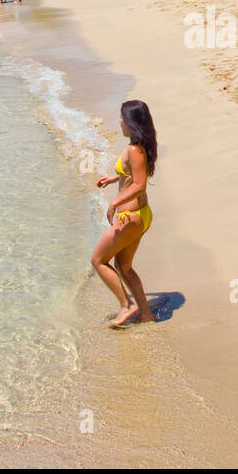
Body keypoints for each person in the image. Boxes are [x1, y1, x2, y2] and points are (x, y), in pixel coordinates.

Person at [92, 100, 158, 327]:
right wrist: (114, 178)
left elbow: (139, 185)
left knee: (98, 260)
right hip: (138, 216)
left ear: (130, 121)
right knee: (124, 267)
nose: (119, 121)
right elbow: (132, 175)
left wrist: (114, 204)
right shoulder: (136, 146)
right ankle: (146, 314)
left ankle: (127, 305)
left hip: (131, 218)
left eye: (122, 117)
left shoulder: (134, 150)